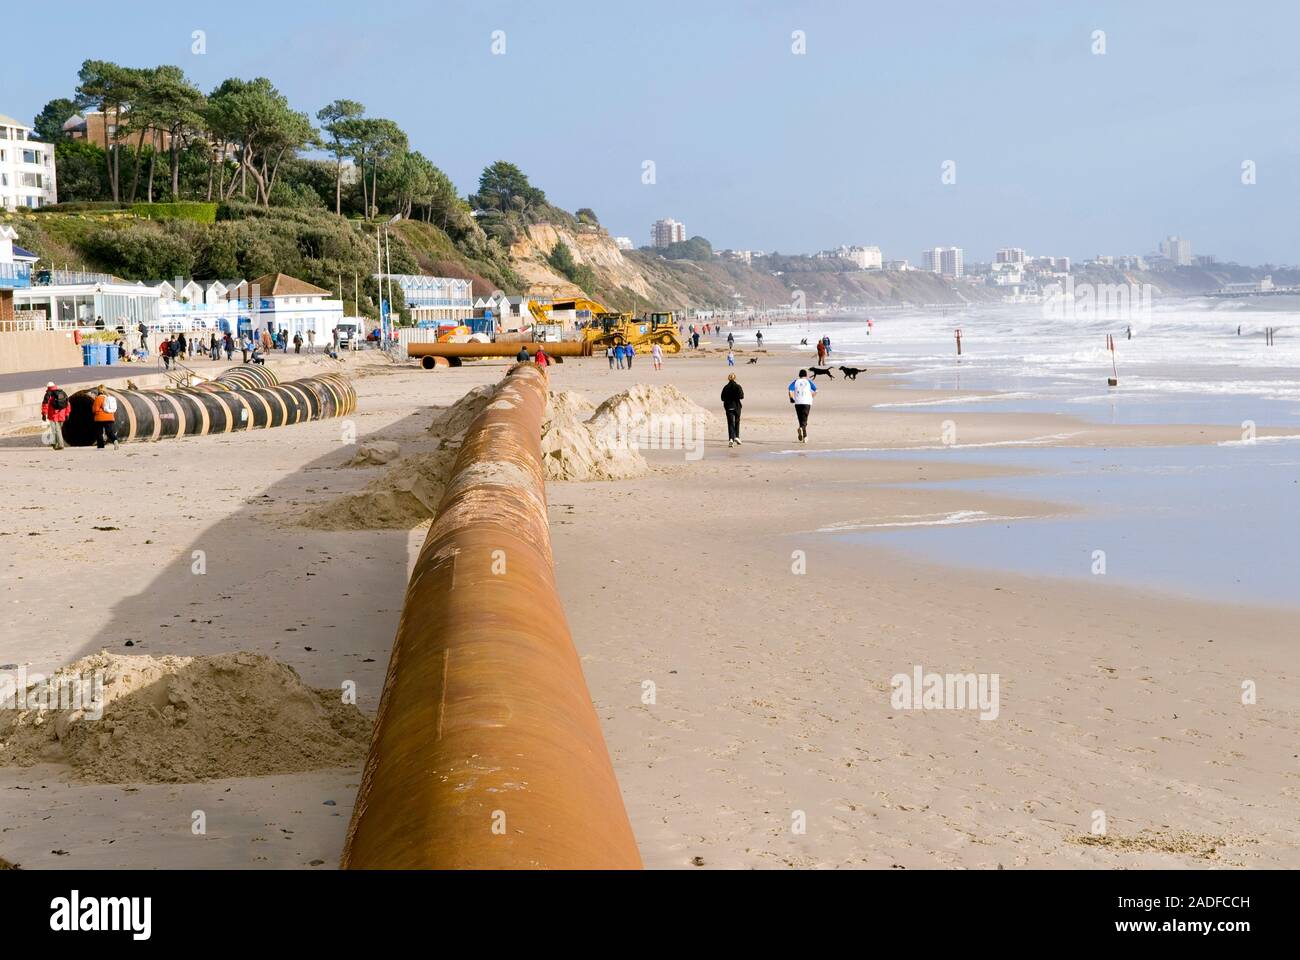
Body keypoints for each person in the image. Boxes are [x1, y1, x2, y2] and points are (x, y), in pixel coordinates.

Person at [788, 368, 817, 443]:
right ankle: (802, 430)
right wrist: (811, 397)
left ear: (799, 375)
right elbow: (816, 390)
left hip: (797, 402)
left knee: (801, 419)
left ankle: (805, 436)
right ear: (806, 375)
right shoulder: (808, 381)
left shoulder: (795, 381)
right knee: (805, 419)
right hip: (807, 402)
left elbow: (790, 389)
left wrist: (791, 398)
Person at [41, 381, 70, 451]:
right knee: (58, 430)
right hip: (62, 415)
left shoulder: (49, 394)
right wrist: (67, 414)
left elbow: (45, 405)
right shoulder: (62, 393)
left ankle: (59, 445)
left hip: (53, 415)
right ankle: (55, 443)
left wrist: (44, 414)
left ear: (48, 387)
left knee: (56, 430)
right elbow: (68, 404)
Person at [91, 385, 119, 450]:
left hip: (100, 418)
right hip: (110, 417)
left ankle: (101, 447)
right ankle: (115, 441)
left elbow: (95, 409)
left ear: (98, 391)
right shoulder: (109, 398)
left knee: (99, 432)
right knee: (109, 432)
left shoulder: (98, 398)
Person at [721, 373, 744, 447]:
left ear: (728, 379)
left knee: (730, 423)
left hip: (728, 406)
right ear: (735, 378)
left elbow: (722, 398)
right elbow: (741, 396)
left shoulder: (725, 387)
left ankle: (731, 438)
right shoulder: (738, 386)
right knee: (737, 421)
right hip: (736, 406)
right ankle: (737, 437)